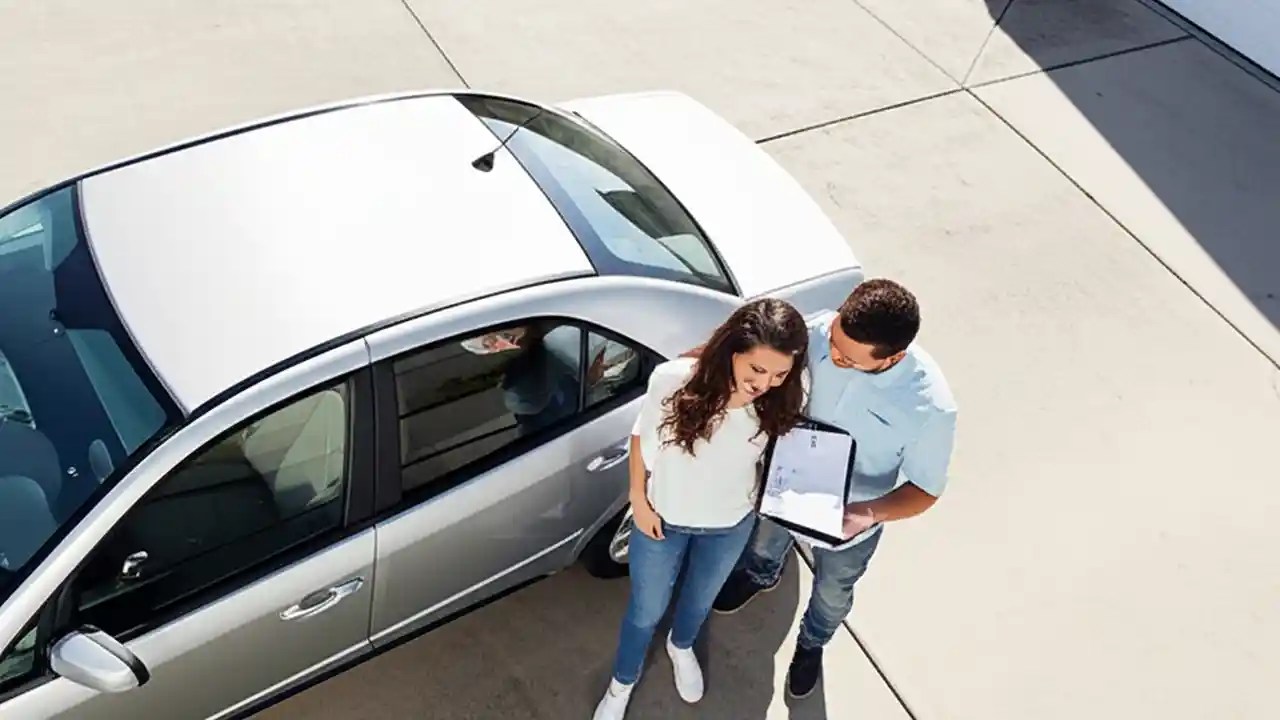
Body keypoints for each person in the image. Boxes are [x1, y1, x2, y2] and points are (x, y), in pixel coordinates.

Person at [712, 278, 958, 700]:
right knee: (765, 541)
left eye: (847, 360)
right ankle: (760, 576)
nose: (833, 354)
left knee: (832, 591)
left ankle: (812, 644)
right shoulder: (824, 331)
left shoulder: (930, 407)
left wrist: (864, 515)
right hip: (788, 482)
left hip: (851, 518)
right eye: (835, 344)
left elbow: (925, 490)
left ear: (893, 357)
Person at [593, 298, 810, 720]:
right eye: (757, 370)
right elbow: (642, 437)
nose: (766, 383)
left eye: (779, 373)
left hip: (730, 523)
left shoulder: (782, 396)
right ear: (732, 351)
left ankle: (681, 644)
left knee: (700, 598)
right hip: (663, 519)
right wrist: (638, 500)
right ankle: (622, 681)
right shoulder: (673, 380)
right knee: (645, 609)